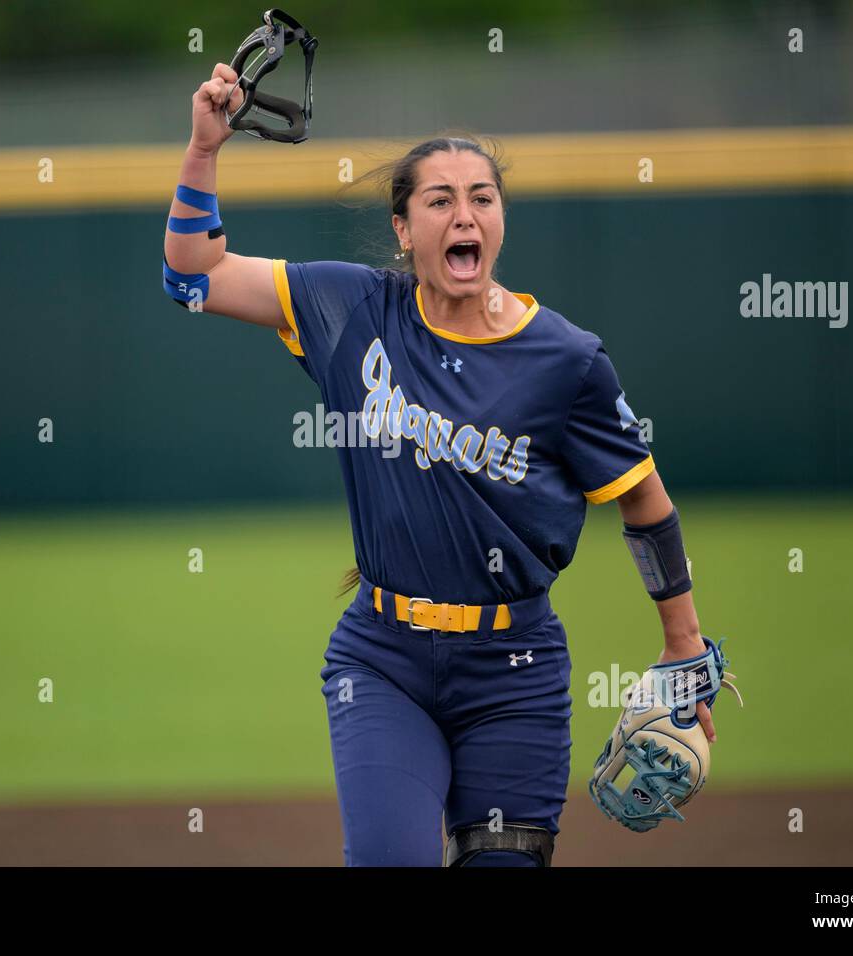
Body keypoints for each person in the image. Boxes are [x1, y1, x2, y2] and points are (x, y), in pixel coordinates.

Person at [163, 63, 717, 867]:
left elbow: (647, 506)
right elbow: (193, 276)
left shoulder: (564, 360)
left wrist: (684, 645)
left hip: (515, 672)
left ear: (500, 219)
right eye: (440, 200)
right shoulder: (351, 310)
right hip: (382, 657)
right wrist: (204, 148)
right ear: (403, 228)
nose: (466, 215)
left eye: (482, 199)